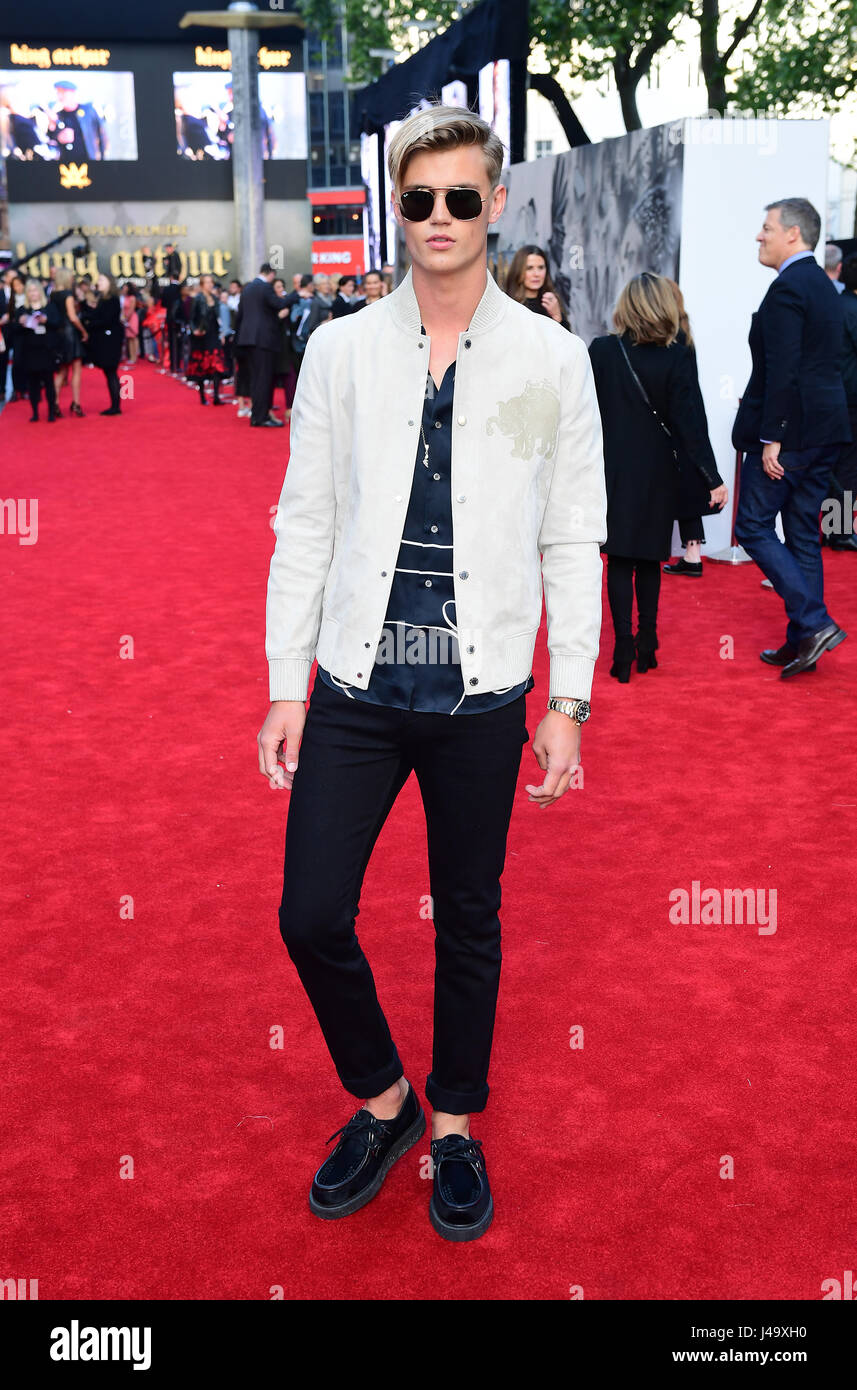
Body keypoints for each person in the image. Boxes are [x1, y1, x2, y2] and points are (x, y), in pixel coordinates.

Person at [257, 104, 607, 1242]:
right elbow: (302, 524)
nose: (441, 218)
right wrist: (282, 683)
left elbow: (571, 534)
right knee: (309, 912)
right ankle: (384, 1100)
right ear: (395, 208)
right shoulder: (337, 350)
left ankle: (451, 1123)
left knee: (469, 915)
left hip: (481, 690)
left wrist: (567, 698)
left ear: (495, 204)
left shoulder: (553, 359)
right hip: (356, 686)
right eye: (419, 200)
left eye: (462, 197)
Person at [589, 272, 727, 681]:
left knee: (618, 560)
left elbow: (584, 415)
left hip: (613, 471)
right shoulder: (677, 356)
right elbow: (691, 424)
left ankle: (623, 649)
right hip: (658, 473)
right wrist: (711, 476)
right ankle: (647, 642)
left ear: (626, 306)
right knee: (649, 559)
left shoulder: (602, 351)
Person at [733, 198, 850, 678]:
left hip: (793, 434)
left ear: (794, 235)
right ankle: (804, 636)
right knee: (802, 533)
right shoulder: (824, 286)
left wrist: (772, 437)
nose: (759, 236)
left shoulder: (787, 289)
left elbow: (785, 370)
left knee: (753, 527)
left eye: (767, 228)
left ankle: (814, 620)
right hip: (826, 429)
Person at [661, 279, 727, 576]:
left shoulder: (671, 338)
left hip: (674, 423)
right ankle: (693, 553)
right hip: (689, 418)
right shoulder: (684, 332)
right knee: (687, 485)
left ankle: (690, 554)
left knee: (678, 486)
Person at [233, 261, 289, 427]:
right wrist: (296, 295)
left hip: (249, 340)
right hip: (263, 341)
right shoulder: (265, 287)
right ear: (270, 274)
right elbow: (278, 304)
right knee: (263, 379)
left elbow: (240, 316)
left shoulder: (248, 288)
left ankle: (258, 415)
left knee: (257, 379)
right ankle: (260, 416)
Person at [828, 251, 857, 551]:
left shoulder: (836, 304)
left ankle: (832, 527)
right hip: (850, 398)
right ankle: (838, 530)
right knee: (847, 467)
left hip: (833, 395)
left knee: (834, 464)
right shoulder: (853, 309)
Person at [16, 277, 62, 421]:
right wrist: (21, 322)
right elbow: (14, 331)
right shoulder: (22, 310)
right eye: (30, 290)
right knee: (33, 384)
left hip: (46, 350)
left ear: (40, 292)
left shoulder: (49, 307)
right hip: (30, 351)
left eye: (35, 290)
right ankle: (35, 412)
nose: (33, 293)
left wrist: (46, 320)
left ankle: (50, 412)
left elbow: (57, 324)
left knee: (49, 382)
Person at [81, 274, 123, 414]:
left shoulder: (112, 300)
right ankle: (115, 405)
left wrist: (90, 323)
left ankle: (116, 406)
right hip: (106, 340)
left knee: (111, 372)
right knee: (110, 373)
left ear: (109, 283)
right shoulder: (103, 299)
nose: (98, 282)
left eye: (101, 280)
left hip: (110, 341)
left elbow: (106, 319)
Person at [51, 266, 88, 417]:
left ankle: (55, 403)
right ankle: (76, 404)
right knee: (76, 370)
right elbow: (73, 317)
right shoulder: (68, 295)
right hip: (70, 335)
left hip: (58, 335)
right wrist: (84, 331)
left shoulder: (52, 295)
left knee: (61, 372)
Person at [504, 244, 570, 328]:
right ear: (518, 270)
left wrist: (557, 317)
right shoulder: (508, 304)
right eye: (529, 268)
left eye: (541, 267)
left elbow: (567, 340)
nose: (536, 274)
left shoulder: (551, 302)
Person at [187, 272, 226, 404]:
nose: (210, 285)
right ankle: (202, 396)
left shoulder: (215, 299)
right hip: (201, 337)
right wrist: (195, 330)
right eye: (208, 282)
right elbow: (191, 319)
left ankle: (216, 396)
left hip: (213, 335)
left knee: (216, 365)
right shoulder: (197, 299)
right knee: (201, 367)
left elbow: (218, 318)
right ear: (202, 284)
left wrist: (221, 334)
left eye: (211, 282)